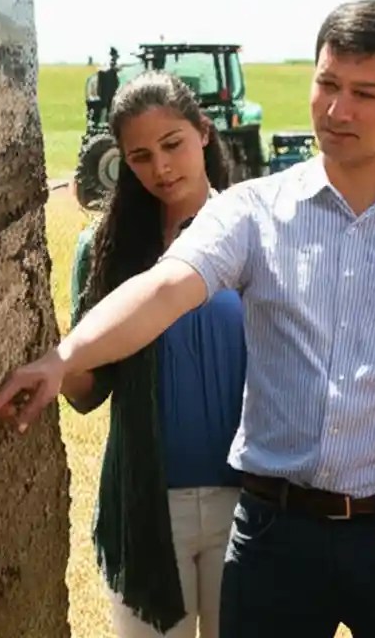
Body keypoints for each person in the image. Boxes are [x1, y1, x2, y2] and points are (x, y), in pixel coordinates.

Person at [0, 0, 375, 637]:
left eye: (366, 93)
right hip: (274, 535)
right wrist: (63, 359)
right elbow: (162, 289)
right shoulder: (253, 210)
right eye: (327, 84)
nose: (337, 110)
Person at [66, 71, 246, 638]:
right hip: (147, 505)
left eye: (173, 145)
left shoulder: (255, 231)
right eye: (140, 156)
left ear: (204, 134)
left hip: (248, 503)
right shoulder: (104, 250)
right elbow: (89, 394)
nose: (161, 169)